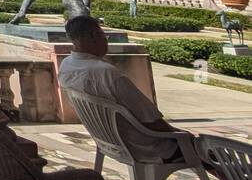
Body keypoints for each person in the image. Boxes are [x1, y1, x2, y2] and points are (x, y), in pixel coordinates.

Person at [58, 16, 184, 162]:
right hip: (146, 147)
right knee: (208, 150)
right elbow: (151, 119)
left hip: (109, 143)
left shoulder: (66, 65)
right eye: (103, 35)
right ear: (94, 37)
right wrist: (178, 133)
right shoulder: (106, 73)